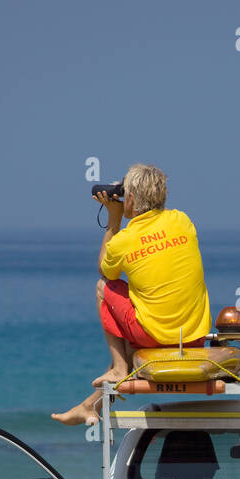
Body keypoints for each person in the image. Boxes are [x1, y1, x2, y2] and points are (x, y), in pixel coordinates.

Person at [52, 163, 213, 425]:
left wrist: (114, 218)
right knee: (132, 338)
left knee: (102, 287)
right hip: (193, 337)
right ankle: (89, 405)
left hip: (154, 337)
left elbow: (107, 272)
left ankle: (118, 369)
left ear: (133, 198)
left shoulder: (125, 240)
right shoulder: (183, 221)